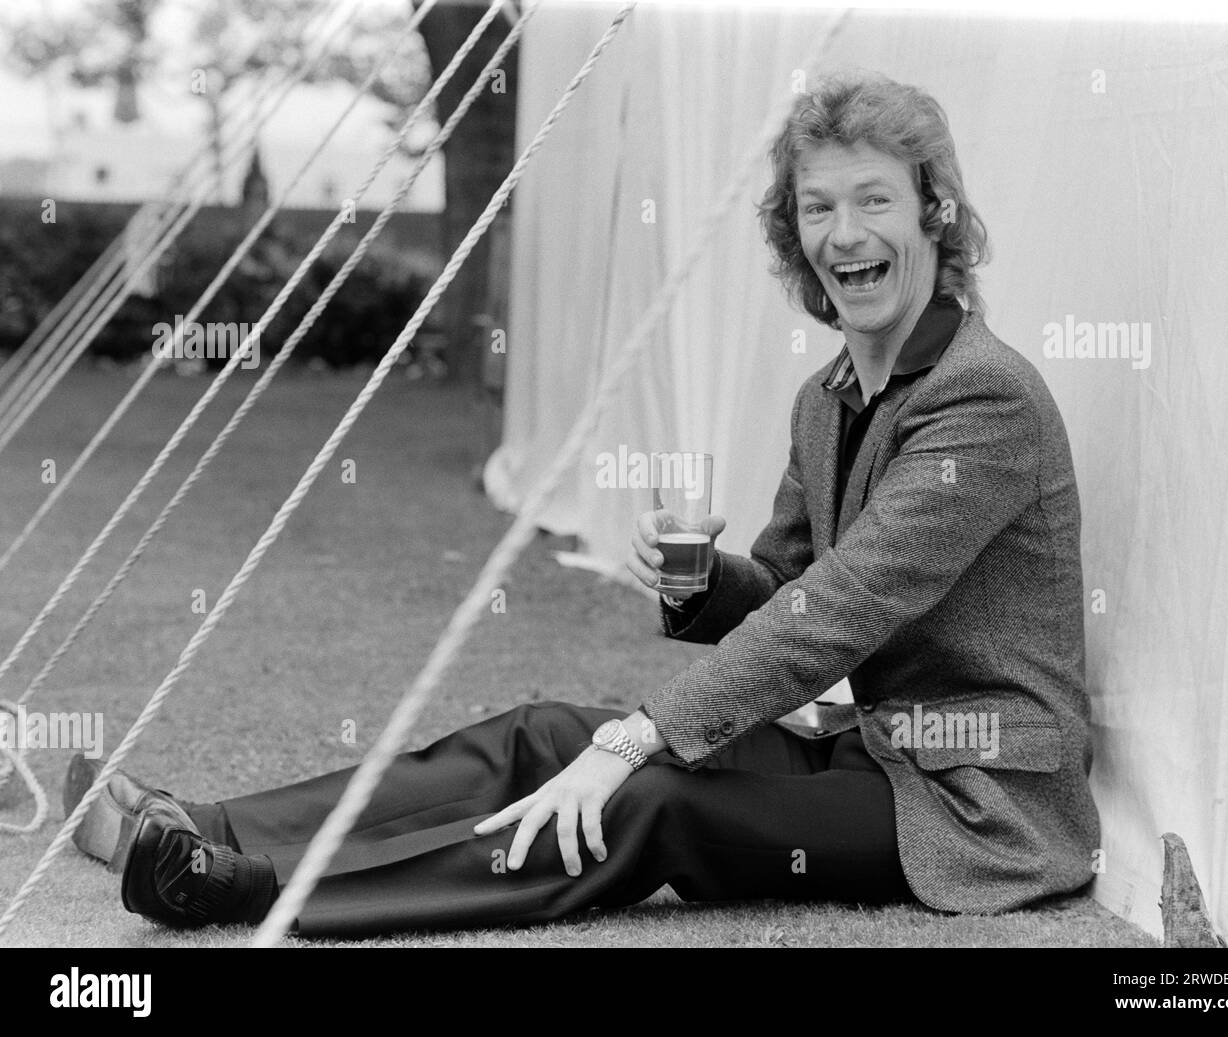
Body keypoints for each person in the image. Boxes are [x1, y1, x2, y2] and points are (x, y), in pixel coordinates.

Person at [66, 71, 1101, 938]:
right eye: (817, 206)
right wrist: (696, 586)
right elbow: (786, 586)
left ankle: (249, 891)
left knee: (639, 795)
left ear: (932, 212)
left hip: (973, 800)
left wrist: (635, 738)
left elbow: (837, 611)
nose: (843, 232)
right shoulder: (826, 394)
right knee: (542, 731)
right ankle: (210, 823)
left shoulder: (983, 395)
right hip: (871, 747)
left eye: (873, 200)